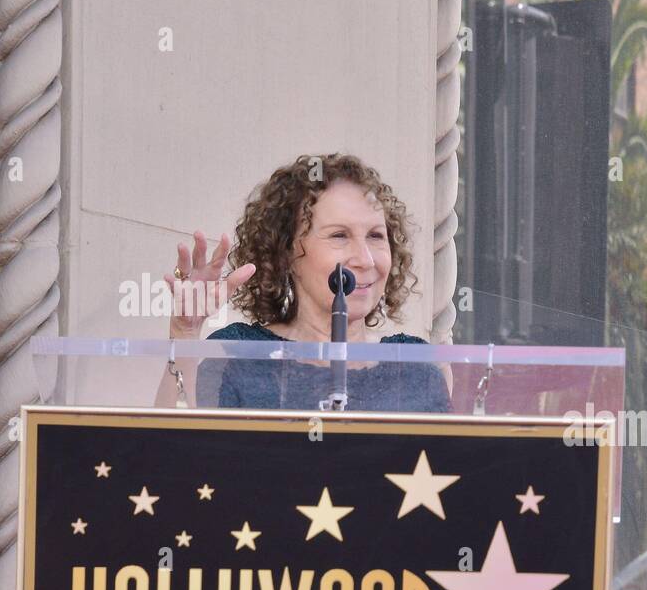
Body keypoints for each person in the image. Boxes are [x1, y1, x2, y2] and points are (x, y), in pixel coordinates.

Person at [156, 153, 450, 412]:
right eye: (339, 236)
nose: (365, 259)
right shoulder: (241, 355)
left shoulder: (416, 367)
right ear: (286, 253)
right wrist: (185, 332)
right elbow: (173, 455)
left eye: (375, 236)